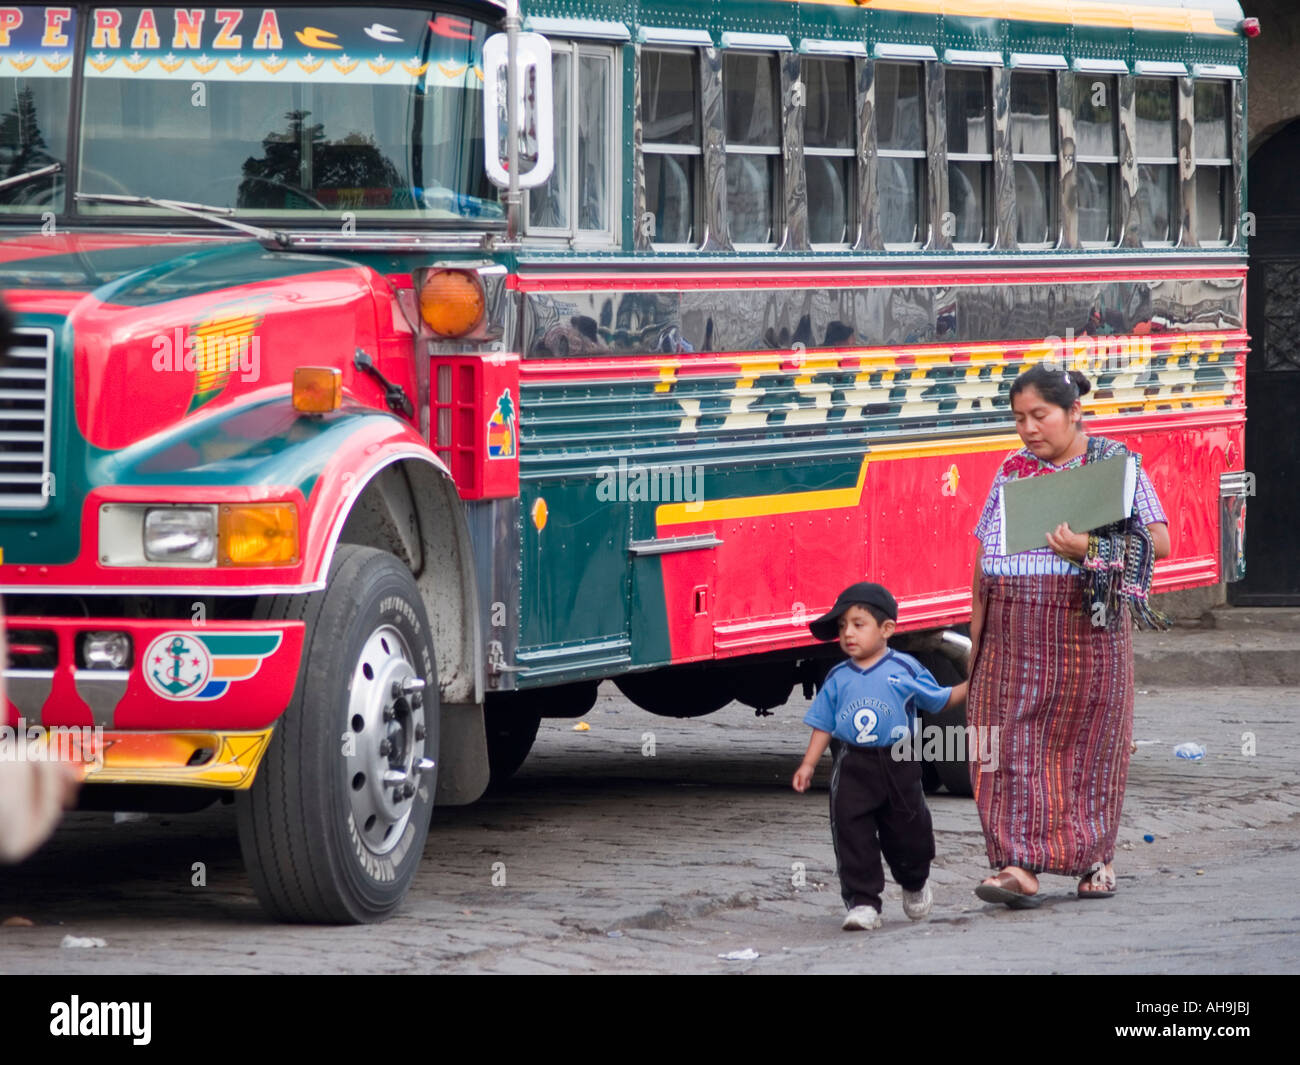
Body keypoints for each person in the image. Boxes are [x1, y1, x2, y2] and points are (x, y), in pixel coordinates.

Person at [967, 364, 1171, 907]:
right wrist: (977, 627)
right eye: (1018, 419)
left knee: (1089, 744)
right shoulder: (1011, 469)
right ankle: (1016, 865)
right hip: (1013, 623)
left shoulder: (1114, 466)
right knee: (1007, 743)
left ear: (1074, 411)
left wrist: (1090, 551)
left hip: (1086, 622)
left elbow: (1161, 541)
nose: (1029, 429)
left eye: (1040, 415)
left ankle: (1095, 858)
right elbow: (984, 552)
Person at [792, 582, 969, 930]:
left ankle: (915, 881)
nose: (848, 634)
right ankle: (862, 902)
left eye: (859, 624)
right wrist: (809, 763)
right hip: (853, 763)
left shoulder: (904, 668)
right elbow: (823, 723)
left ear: (886, 629)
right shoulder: (837, 677)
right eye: (843, 627)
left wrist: (974, 683)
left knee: (910, 830)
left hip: (899, 761)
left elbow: (939, 699)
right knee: (850, 829)